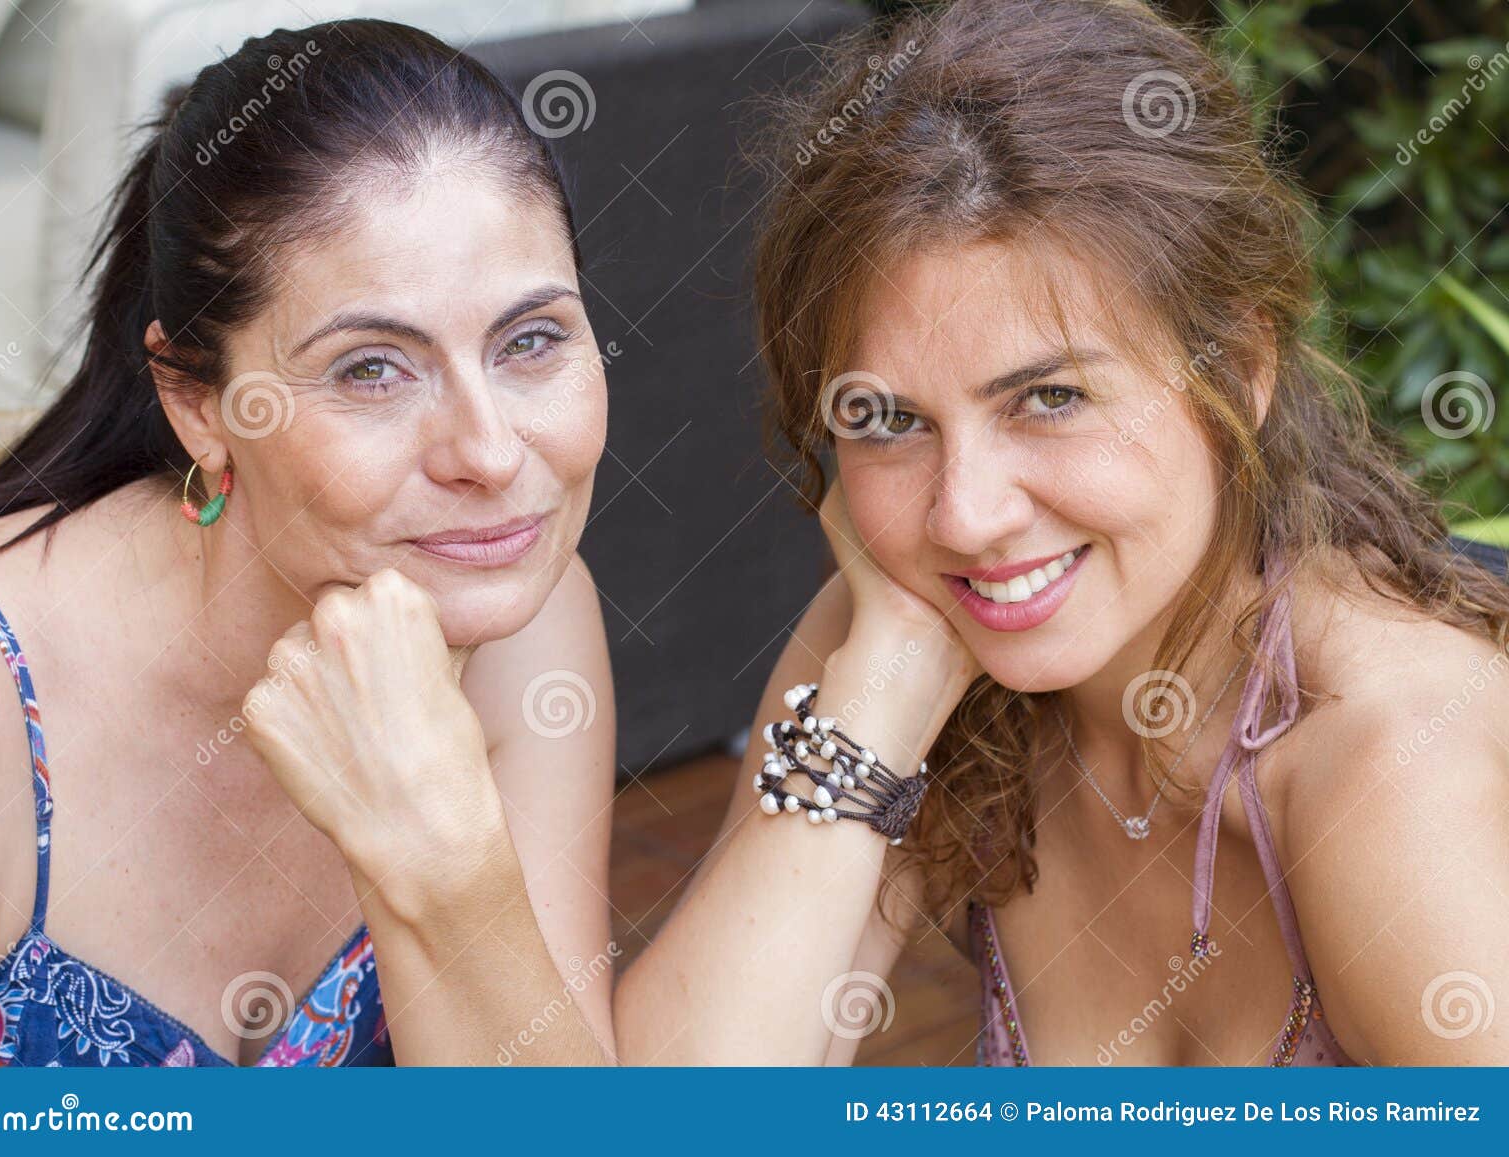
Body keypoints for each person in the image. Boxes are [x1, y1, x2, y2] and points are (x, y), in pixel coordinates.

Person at [615, 0, 1509, 1066]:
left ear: (1237, 371)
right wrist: (883, 685)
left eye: (1046, 398)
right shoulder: (907, 648)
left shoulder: (1384, 769)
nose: (966, 513)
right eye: (891, 419)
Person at [0, 20, 615, 1067]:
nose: (489, 452)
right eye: (372, 368)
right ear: (199, 402)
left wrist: (447, 868)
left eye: (529, 341)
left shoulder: (523, 616)